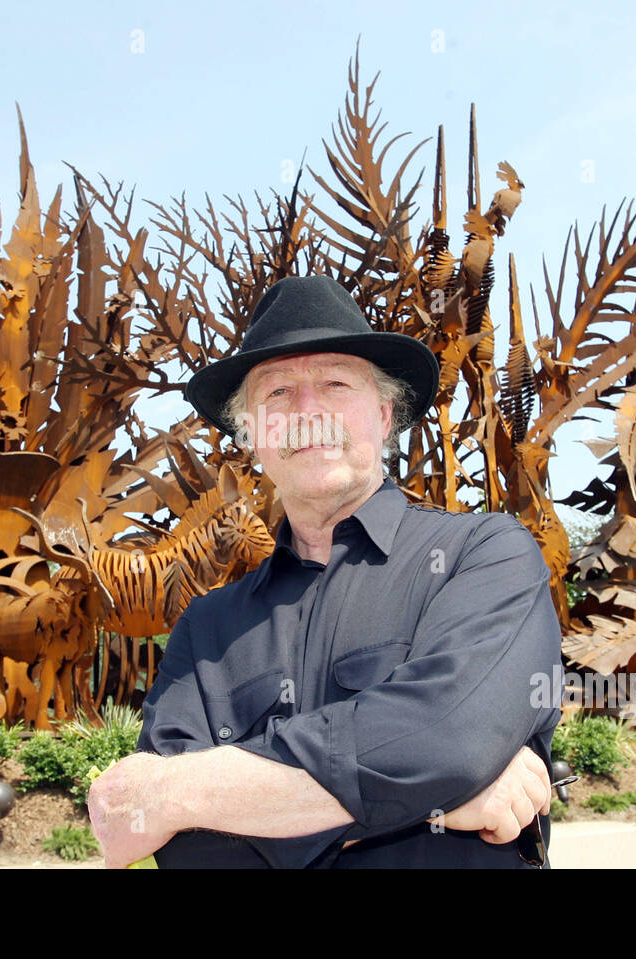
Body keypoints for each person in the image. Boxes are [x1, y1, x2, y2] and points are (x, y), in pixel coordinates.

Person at [87, 274, 563, 868]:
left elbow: (452, 740)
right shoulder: (207, 628)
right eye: (278, 393)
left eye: (335, 383)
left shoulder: (484, 556)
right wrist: (432, 796)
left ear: (385, 417)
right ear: (251, 435)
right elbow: (179, 849)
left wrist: (182, 793)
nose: (307, 410)